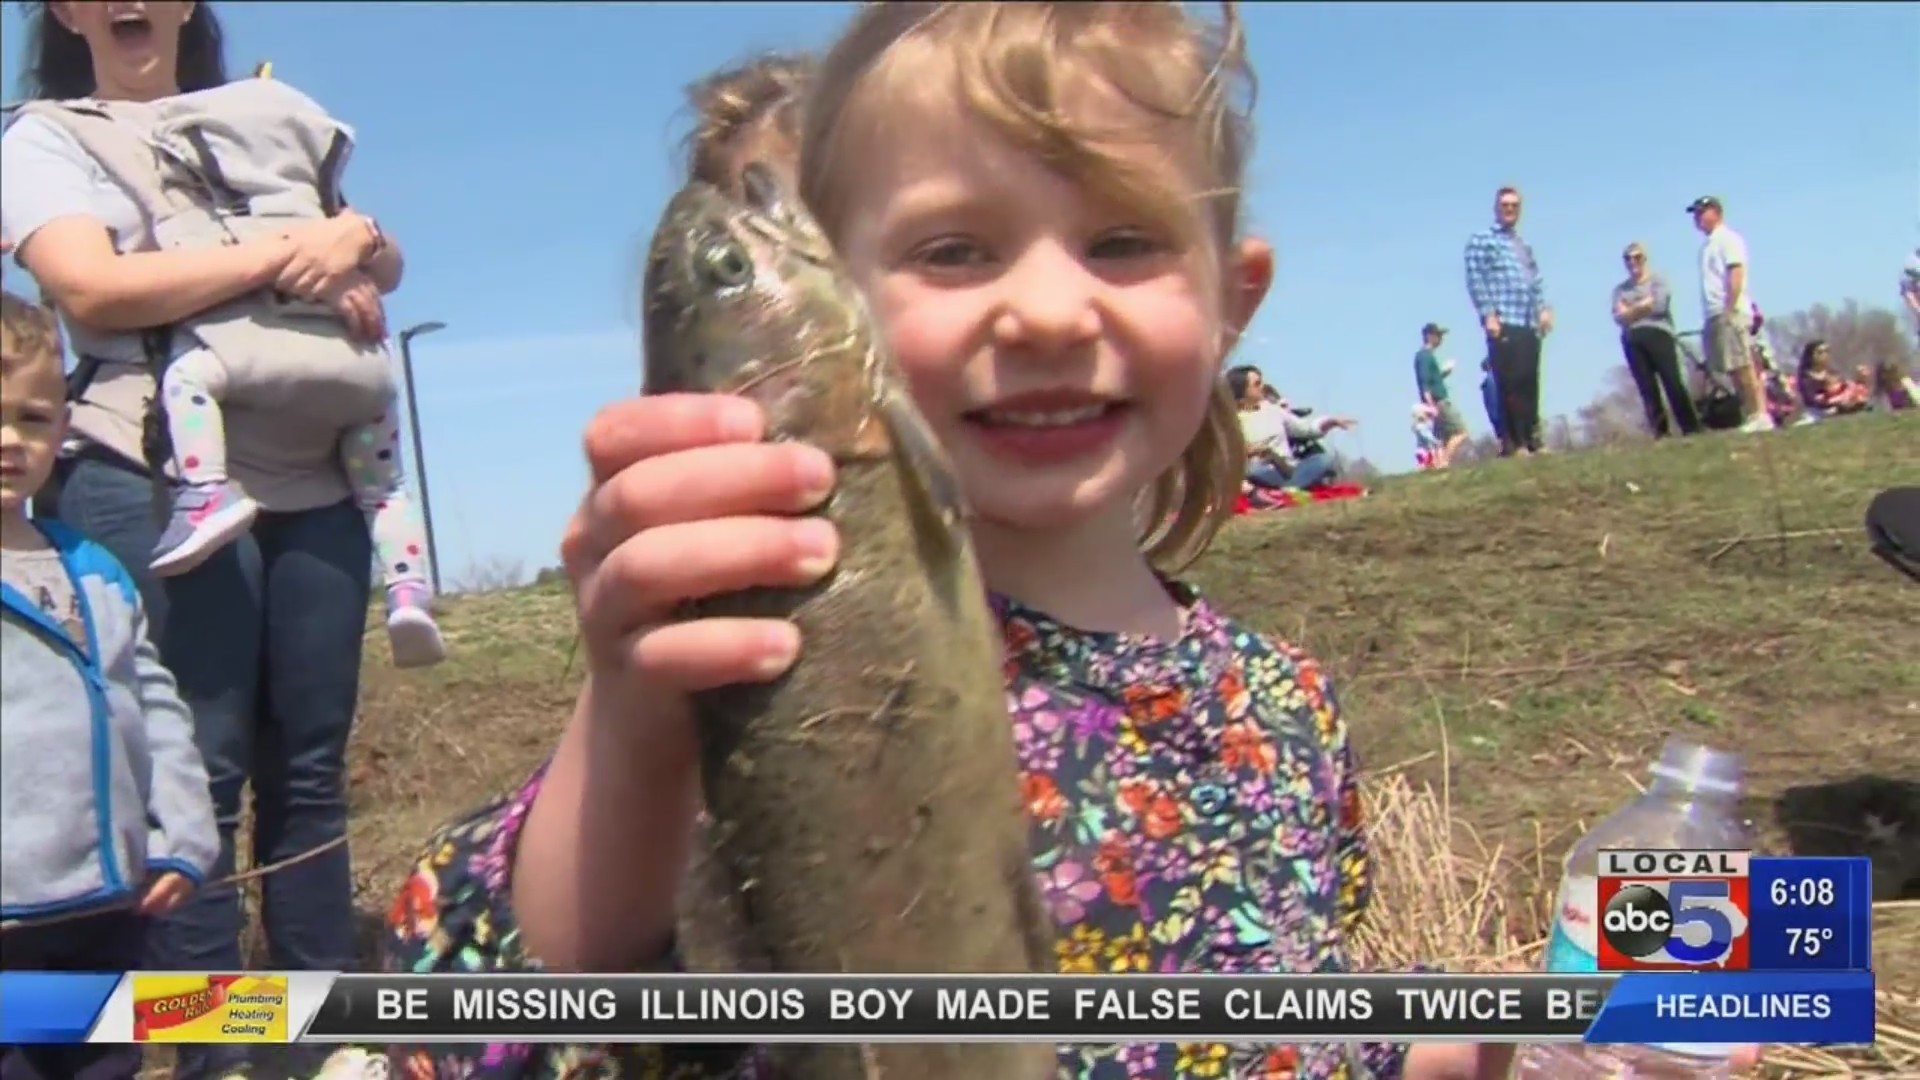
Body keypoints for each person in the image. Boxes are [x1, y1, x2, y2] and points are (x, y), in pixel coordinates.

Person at [385, 5, 1520, 1079]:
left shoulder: (1290, 709)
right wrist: (635, 727)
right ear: (847, 293)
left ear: (1234, 297)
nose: (1046, 312)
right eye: (955, 251)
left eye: (1122, 240)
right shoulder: (761, 651)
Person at [2, 5, 403, 1076]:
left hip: (317, 474)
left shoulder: (264, 111)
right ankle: (217, 1049)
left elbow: (375, 250)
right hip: (154, 468)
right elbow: (93, 290)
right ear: (68, 13)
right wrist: (292, 250)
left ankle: (321, 1043)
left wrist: (355, 236)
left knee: (310, 771)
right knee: (200, 781)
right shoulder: (45, 136)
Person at [2, 290, 218, 1080]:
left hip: (107, 908)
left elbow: (154, 705)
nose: (10, 440)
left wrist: (184, 832)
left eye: (32, 416)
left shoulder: (94, 568)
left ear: (63, 428)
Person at [1464, 186, 1553, 456]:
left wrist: (1545, 309)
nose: (1510, 210)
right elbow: (1475, 279)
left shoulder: (1522, 246)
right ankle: (1514, 444)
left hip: (1528, 321)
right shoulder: (1482, 240)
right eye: (1505, 205)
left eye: (1515, 205)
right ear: (1496, 208)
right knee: (1510, 382)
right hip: (1503, 320)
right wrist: (1488, 313)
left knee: (1529, 380)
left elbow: (1535, 281)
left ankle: (1532, 439)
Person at [1688, 195, 1773, 433]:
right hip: (1713, 313)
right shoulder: (1706, 246)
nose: (1697, 218)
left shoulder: (1728, 239)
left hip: (1731, 311)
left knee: (1744, 363)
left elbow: (1735, 274)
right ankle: (1750, 413)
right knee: (1732, 367)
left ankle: (1761, 413)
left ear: (1716, 212)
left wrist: (1730, 307)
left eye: (1702, 212)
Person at [1610, 242, 1700, 438]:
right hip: (1632, 339)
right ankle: (1660, 430)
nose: (1633, 262)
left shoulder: (1658, 280)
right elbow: (1618, 317)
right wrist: (1643, 305)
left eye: (1637, 257)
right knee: (1646, 386)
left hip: (1659, 333)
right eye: (1628, 258)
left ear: (1645, 259)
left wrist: (1631, 310)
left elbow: (1658, 305)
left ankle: (1690, 427)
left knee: (1672, 380)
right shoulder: (1620, 290)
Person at [1228, 365, 1354, 493]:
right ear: (1242, 390)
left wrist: (1331, 422)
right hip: (1259, 470)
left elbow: (1304, 428)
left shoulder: (1273, 410)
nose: (1263, 386)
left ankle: (1287, 489)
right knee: (1256, 472)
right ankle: (1292, 488)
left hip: (1288, 469)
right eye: (1257, 384)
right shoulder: (1231, 421)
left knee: (1323, 459)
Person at [1412, 322, 1468, 464]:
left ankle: (1439, 463)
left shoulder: (1425, 356)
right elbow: (1425, 383)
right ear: (1430, 337)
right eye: (1438, 335)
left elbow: (1430, 380)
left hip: (1435, 401)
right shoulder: (1424, 356)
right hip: (1439, 402)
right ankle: (1443, 462)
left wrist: (1443, 373)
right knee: (1461, 431)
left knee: (1441, 438)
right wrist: (1431, 405)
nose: (1441, 339)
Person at [1794, 341, 1870, 419]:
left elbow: (1844, 389)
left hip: (1840, 406)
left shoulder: (1832, 372)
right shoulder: (1806, 378)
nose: (1825, 355)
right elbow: (1812, 401)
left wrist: (1860, 380)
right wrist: (1833, 404)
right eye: (1820, 352)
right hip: (1818, 411)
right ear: (1811, 356)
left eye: (1827, 351)